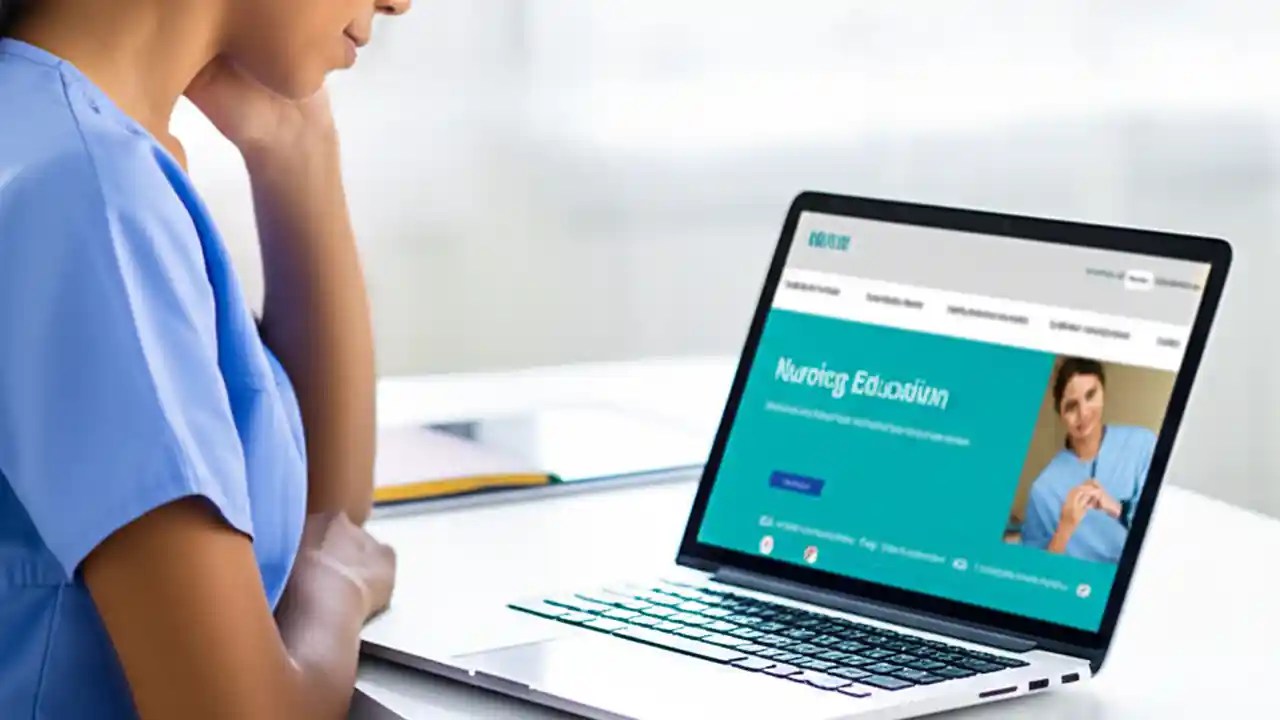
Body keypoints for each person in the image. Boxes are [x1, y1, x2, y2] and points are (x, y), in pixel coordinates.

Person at [0, 1, 411, 717]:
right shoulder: (91, 196)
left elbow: (323, 524)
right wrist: (338, 592)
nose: (400, 2)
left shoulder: (50, 131)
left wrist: (297, 146)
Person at [1020, 358, 1157, 564]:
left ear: (1104, 391)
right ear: (1061, 414)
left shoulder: (1143, 445)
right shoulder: (1043, 490)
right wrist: (1064, 529)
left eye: (1091, 395)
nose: (1083, 413)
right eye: (1071, 406)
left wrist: (1118, 509)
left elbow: (1163, 533)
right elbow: (1035, 573)